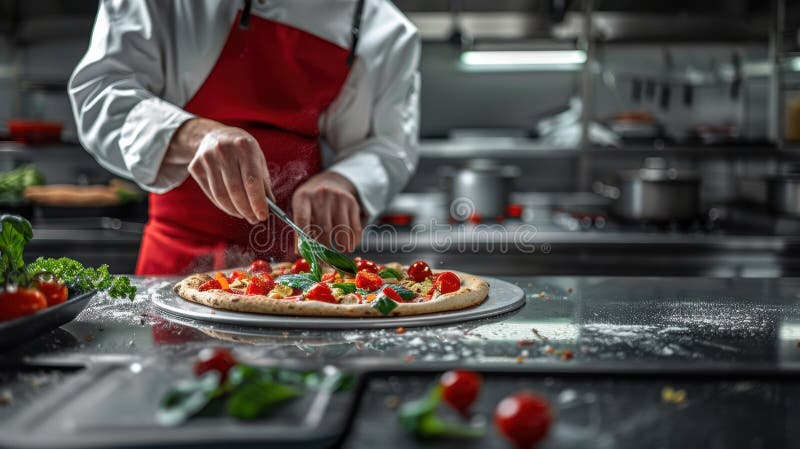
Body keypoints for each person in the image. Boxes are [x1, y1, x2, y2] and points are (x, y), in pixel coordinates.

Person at [69, 0, 420, 275]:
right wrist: (192, 136)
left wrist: (345, 180)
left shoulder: (385, 29)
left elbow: (387, 146)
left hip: (295, 268)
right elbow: (101, 91)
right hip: (174, 260)